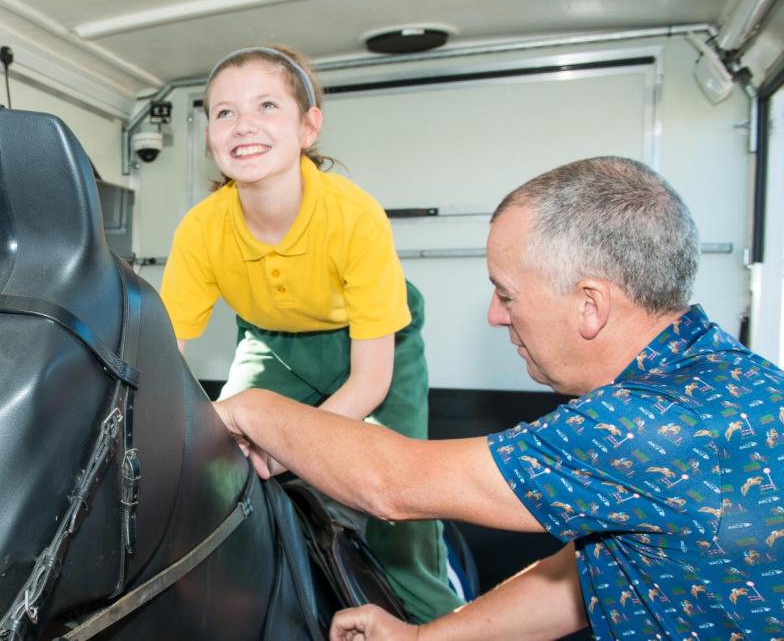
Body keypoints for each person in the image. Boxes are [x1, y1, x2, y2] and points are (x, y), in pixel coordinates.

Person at [214, 155, 784, 640]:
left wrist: (247, 407)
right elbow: (587, 579)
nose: (495, 315)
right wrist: (425, 636)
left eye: (507, 294)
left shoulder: (644, 424)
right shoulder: (733, 375)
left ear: (591, 304)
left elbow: (391, 484)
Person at [160, 45, 463, 622]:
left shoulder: (353, 216)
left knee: (401, 512)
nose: (243, 124)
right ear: (208, 136)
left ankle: (438, 613)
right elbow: (165, 355)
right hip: (272, 342)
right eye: (224, 113)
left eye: (266, 106)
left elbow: (370, 382)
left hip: (375, 349)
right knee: (218, 464)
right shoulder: (200, 230)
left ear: (308, 125)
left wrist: (286, 442)